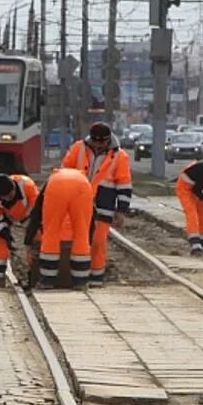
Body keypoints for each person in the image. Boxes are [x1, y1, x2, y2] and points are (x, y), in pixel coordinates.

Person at [62, 122, 132, 286]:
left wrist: (121, 211)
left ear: (108, 140)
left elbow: (124, 184)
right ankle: (73, 275)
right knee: (75, 239)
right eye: (95, 141)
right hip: (77, 204)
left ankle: (96, 277)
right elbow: (65, 172)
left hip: (103, 206)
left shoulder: (120, 156)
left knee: (98, 242)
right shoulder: (78, 148)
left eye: (102, 142)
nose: (98, 145)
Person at [23, 168, 93, 288]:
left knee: (51, 232)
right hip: (83, 187)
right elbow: (93, 216)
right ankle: (80, 282)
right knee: (82, 233)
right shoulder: (82, 178)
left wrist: (28, 241)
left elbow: (36, 213)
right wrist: (89, 239)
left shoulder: (52, 180)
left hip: (56, 188)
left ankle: (47, 281)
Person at [0, 171, 39, 288]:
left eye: (10, 195)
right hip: (9, 220)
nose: (9, 199)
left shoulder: (27, 186)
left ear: (14, 187)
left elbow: (38, 211)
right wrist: (6, 235)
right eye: (5, 197)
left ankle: (37, 274)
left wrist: (31, 232)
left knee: (38, 241)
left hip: (31, 219)